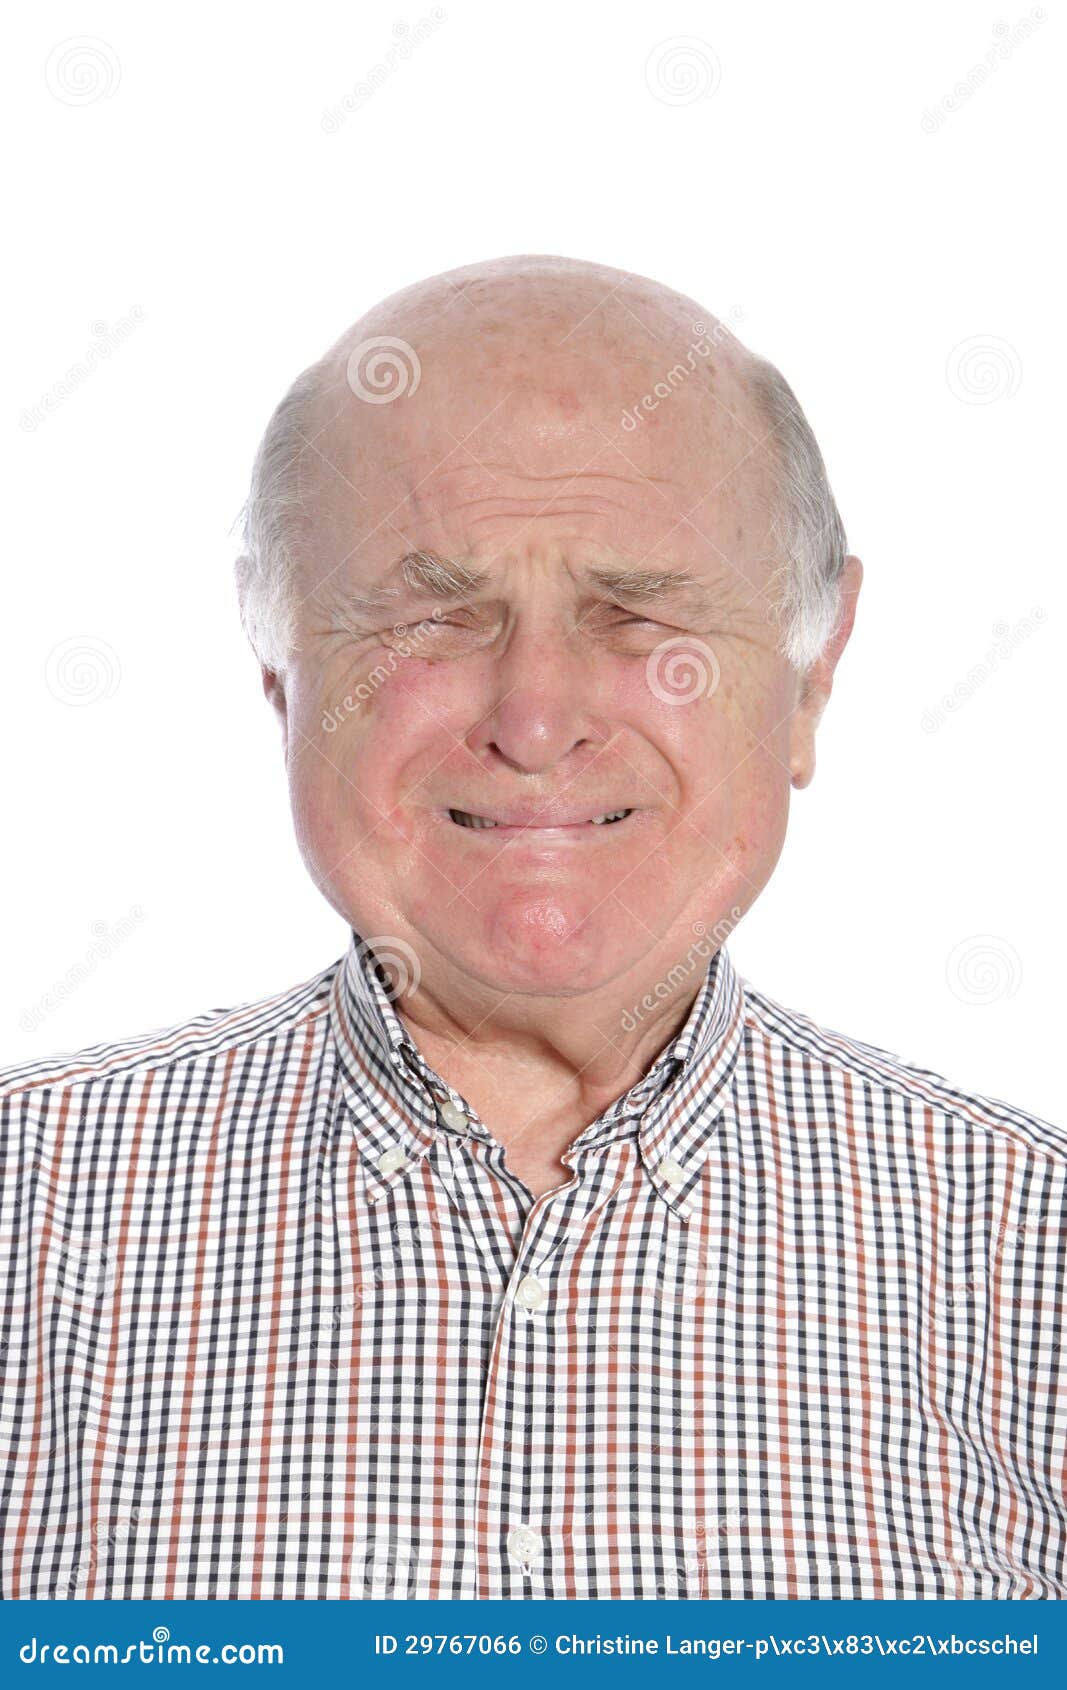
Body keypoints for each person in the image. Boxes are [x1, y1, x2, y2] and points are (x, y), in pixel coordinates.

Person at [2, 255, 1062, 1600]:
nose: (536, 714)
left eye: (641, 616)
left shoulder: (1040, 1257)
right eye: (433, 615)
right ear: (279, 665)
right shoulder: (23, 1230)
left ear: (812, 674)